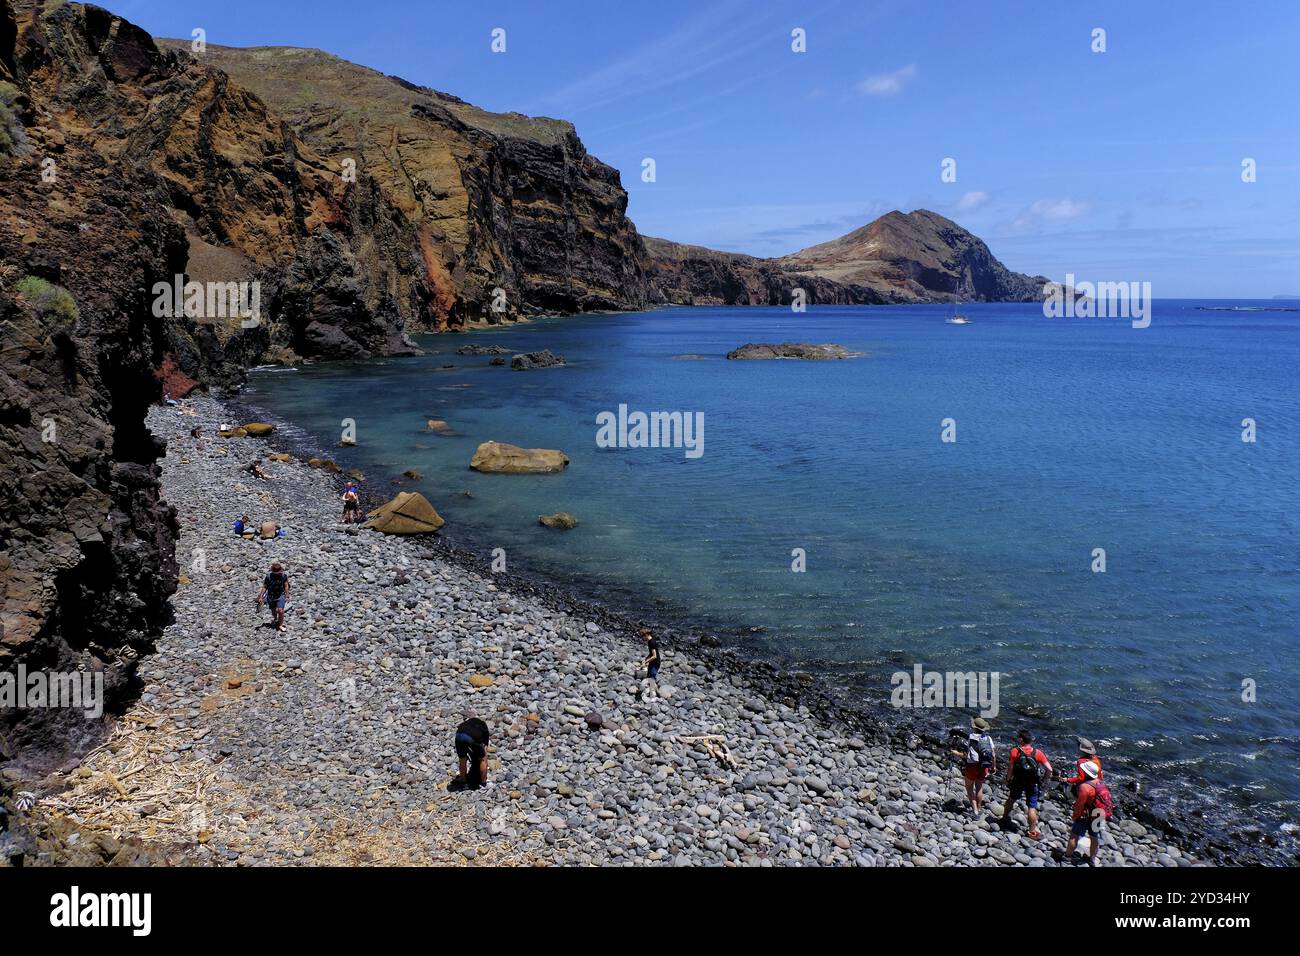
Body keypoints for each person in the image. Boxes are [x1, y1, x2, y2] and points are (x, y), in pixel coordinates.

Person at [1000, 729, 1053, 839]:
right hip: (1033, 783)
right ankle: (1032, 831)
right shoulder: (1038, 753)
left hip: (1018, 781)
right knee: (1032, 807)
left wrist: (1008, 779)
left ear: (1021, 739)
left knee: (1011, 799)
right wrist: (1043, 781)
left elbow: (1010, 768)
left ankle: (1005, 818)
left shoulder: (1015, 751)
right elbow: (1049, 769)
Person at [1066, 761, 1112, 866]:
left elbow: (1080, 804)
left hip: (1087, 814)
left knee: (1074, 835)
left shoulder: (1085, 787)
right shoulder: (1101, 783)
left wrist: (1075, 816)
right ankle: (1092, 860)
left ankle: (1067, 856)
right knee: (1094, 837)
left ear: (1086, 772)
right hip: (1099, 814)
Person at [957, 717, 996, 814]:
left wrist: (956, 753)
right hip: (984, 766)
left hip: (972, 766)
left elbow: (968, 753)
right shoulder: (988, 738)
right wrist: (993, 766)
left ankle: (974, 811)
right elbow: (993, 755)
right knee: (979, 787)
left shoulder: (971, 737)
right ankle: (979, 809)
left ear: (974, 727)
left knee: (969, 787)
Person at [454, 717, 490, 789]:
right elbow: (485, 746)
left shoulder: (469, 722)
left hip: (459, 735)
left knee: (462, 759)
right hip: (471, 736)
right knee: (483, 759)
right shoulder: (485, 729)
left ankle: (463, 781)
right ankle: (484, 783)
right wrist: (483, 756)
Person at [256, 562, 290, 631]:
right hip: (271, 596)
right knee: (274, 611)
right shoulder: (268, 576)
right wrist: (261, 596)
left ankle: (280, 624)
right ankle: (275, 618)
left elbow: (286, 585)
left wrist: (287, 595)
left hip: (280, 595)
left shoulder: (284, 576)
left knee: (281, 611)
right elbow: (265, 586)